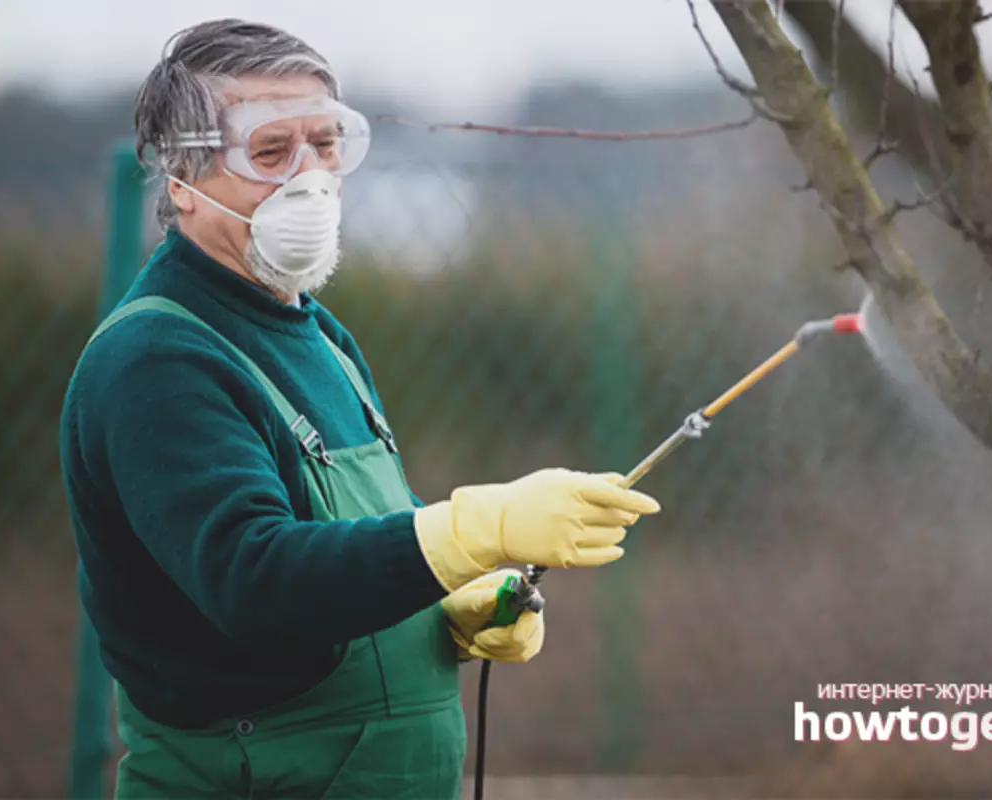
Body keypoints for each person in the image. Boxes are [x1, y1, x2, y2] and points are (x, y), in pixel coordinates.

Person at [59, 19, 661, 799]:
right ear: (181, 181)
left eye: (327, 144)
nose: (309, 178)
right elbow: (256, 579)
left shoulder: (315, 330)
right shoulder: (158, 361)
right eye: (272, 153)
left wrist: (448, 600)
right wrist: (474, 529)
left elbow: (356, 533)